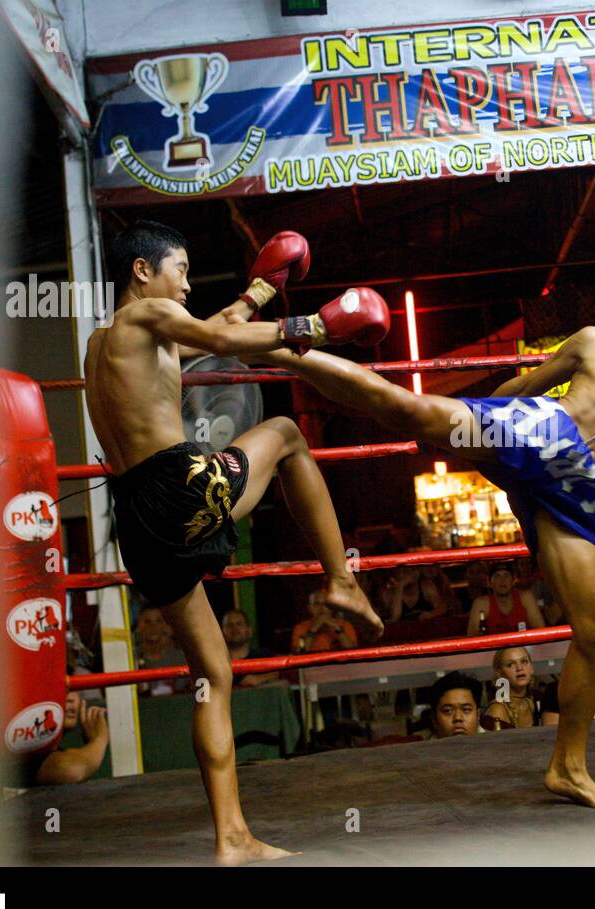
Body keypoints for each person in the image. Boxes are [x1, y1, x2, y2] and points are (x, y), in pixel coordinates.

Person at [246, 253, 595, 808]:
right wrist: (459, 430)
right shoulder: (591, 339)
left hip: (572, 487)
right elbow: (526, 385)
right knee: (405, 408)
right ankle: (274, 345)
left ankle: (568, 768)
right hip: (538, 433)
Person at [84, 220, 384, 863]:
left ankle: (231, 837)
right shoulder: (150, 320)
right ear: (142, 271)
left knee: (212, 675)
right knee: (286, 433)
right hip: (178, 487)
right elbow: (220, 336)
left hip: (136, 517)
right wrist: (317, 327)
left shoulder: (104, 342)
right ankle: (339, 579)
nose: (187, 283)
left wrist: (261, 291)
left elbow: (213, 334)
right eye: (180, 269)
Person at [29, 690, 109, 786]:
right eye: (64, 689)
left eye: (73, 689)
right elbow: (70, 770)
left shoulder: (50, 749)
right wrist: (99, 740)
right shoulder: (26, 748)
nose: (71, 698)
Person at [467, 563, 546, 636]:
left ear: (513, 581)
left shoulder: (525, 598)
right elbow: (472, 638)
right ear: (490, 583)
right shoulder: (482, 603)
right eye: (497, 576)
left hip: (524, 648)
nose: (502, 580)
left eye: (506, 575)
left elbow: (541, 632)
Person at [481, 646, 543, 730]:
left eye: (524, 662)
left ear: (531, 668)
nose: (519, 668)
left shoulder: (537, 699)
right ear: (500, 674)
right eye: (510, 665)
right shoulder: (498, 709)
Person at [221, 608, 279, 687]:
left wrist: (259, 679)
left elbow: (276, 673)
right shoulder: (215, 663)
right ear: (222, 632)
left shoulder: (263, 656)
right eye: (229, 625)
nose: (234, 628)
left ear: (249, 631)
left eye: (239, 624)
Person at [291, 589, 359, 653]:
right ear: (310, 608)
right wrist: (313, 629)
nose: (322, 608)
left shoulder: (344, 625)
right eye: (317, 604)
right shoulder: (300, 628)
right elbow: (299, 652)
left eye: (326, 604)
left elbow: (353, 653)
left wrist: (338, 629)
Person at [427, 672, 485, 738]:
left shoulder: (494, 745)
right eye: (447, 711)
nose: (458, 718)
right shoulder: (422, 748)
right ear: (434, 719)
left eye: (466, 709)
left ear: (478, 715)